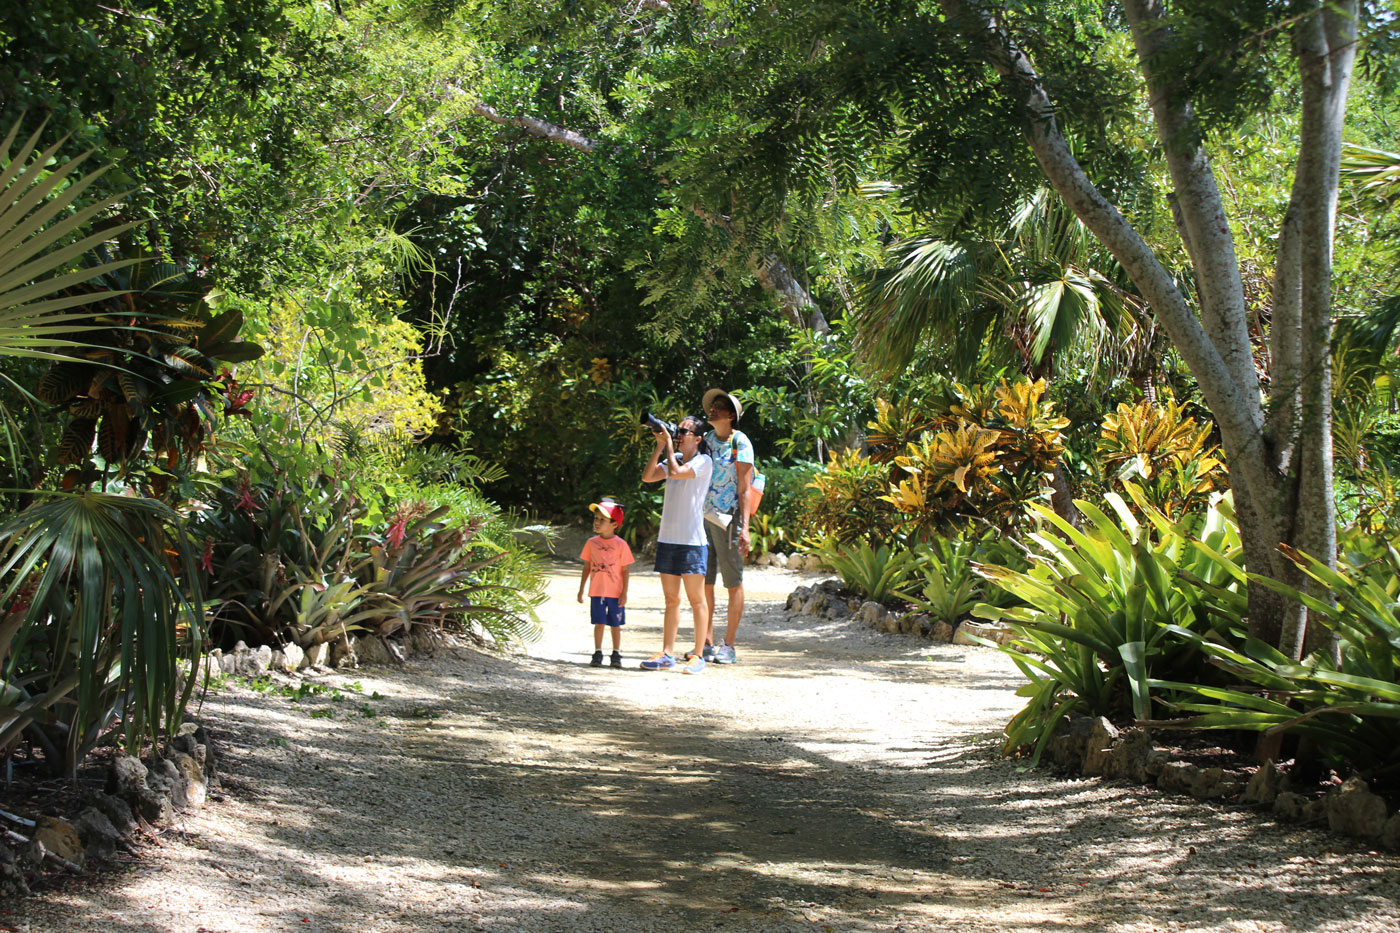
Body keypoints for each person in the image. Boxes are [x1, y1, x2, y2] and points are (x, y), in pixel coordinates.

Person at [639, 415, 713, 674]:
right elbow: (648, 477)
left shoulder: (703, 462)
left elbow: (677, 473)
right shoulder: (674, 458)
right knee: (671, 599)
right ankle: (667, 653)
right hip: (668, 539)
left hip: (692, 541)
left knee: (697, 600)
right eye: (677, 430)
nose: (679, 434)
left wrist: (669, 445)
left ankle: (699, 655)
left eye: (684, 431)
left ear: (698, 439)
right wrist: (660, 445)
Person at [701, 388, 754, 665]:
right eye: (712, 406)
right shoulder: (707, 439)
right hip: (703, 517)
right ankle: (706, 642)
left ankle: (729, 645)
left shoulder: (741, 442)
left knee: (732, 581)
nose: (713, 409)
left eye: (719, 406)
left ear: (731, 415)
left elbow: (745, 489)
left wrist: (744, 527)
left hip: (728, 518)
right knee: (704, 580)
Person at [577, 499, 634, 669]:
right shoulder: (591, 543)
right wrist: (581, 590)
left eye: (602, 520)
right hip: (597, 591)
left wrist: (624, 592)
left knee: (615, 624)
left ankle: (616, 652)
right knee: (599, 622)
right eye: (596, 519)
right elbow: (587, 566)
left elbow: (625, 570)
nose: (597, 522)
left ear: (614, 524)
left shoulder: (621, 545)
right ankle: (598, 651)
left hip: (615, 593)